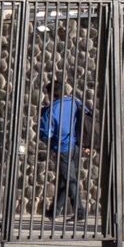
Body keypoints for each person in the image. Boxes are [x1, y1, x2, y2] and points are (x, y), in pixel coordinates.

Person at [38, 78, 91, 223]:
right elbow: (87, 114)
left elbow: (45, 133)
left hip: (62, 147)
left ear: (49, 94)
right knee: (65, 178)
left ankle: (80, 212)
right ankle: (54, 211)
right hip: (76, 145)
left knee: (69, 179)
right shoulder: (75, 101)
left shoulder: (51, 109)